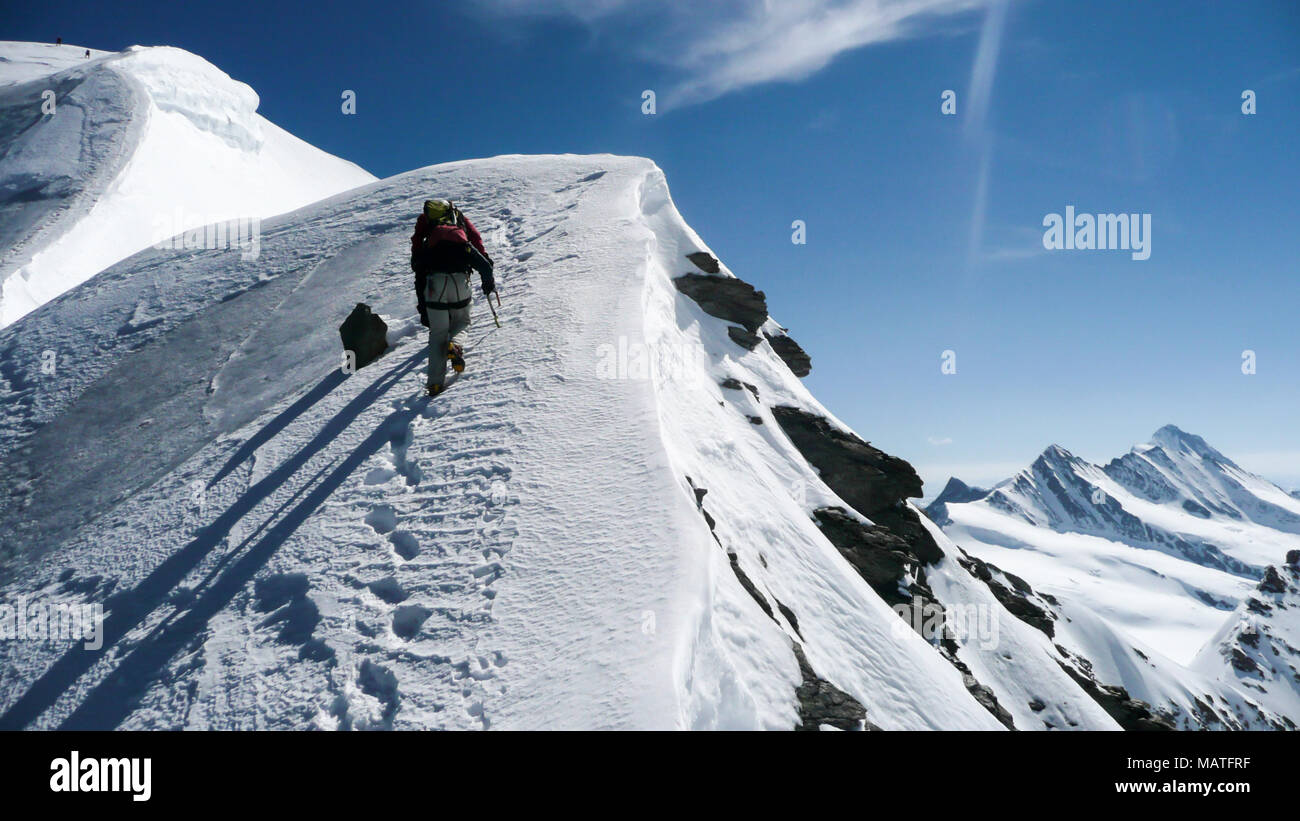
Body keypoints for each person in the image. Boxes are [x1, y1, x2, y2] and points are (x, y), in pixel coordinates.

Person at [410, 199, 494, 396]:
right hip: (460, 281)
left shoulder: (426, 227)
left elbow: (417, 259)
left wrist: (423, 306)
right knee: (463, 320)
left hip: (434, 284)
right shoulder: (459, 223)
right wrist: (487, 280)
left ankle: (435, 384)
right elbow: (478, 245)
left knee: (438, 333)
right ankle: (456, 344)